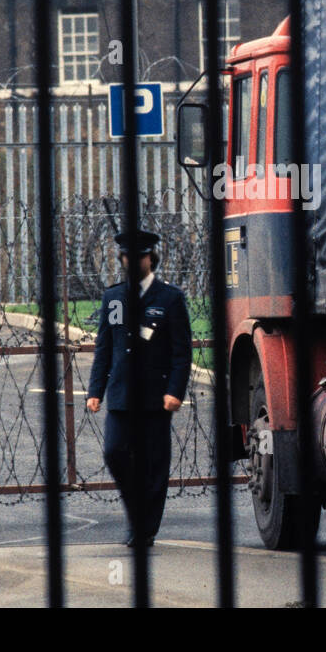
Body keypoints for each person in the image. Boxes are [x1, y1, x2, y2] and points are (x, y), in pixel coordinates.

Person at [86, 228, 192, 547]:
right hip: (120, 393)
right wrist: (95, 390)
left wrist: (175, 390)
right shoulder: (113, 297)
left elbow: (181, 350)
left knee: (153, 463)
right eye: (128, 257)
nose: (134, 262)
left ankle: (146, 528)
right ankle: (137, 515)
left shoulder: (170, 299)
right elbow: (104, 347)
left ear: (151, 258)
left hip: (155, 397)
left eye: (140, 257)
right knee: (115, 452)